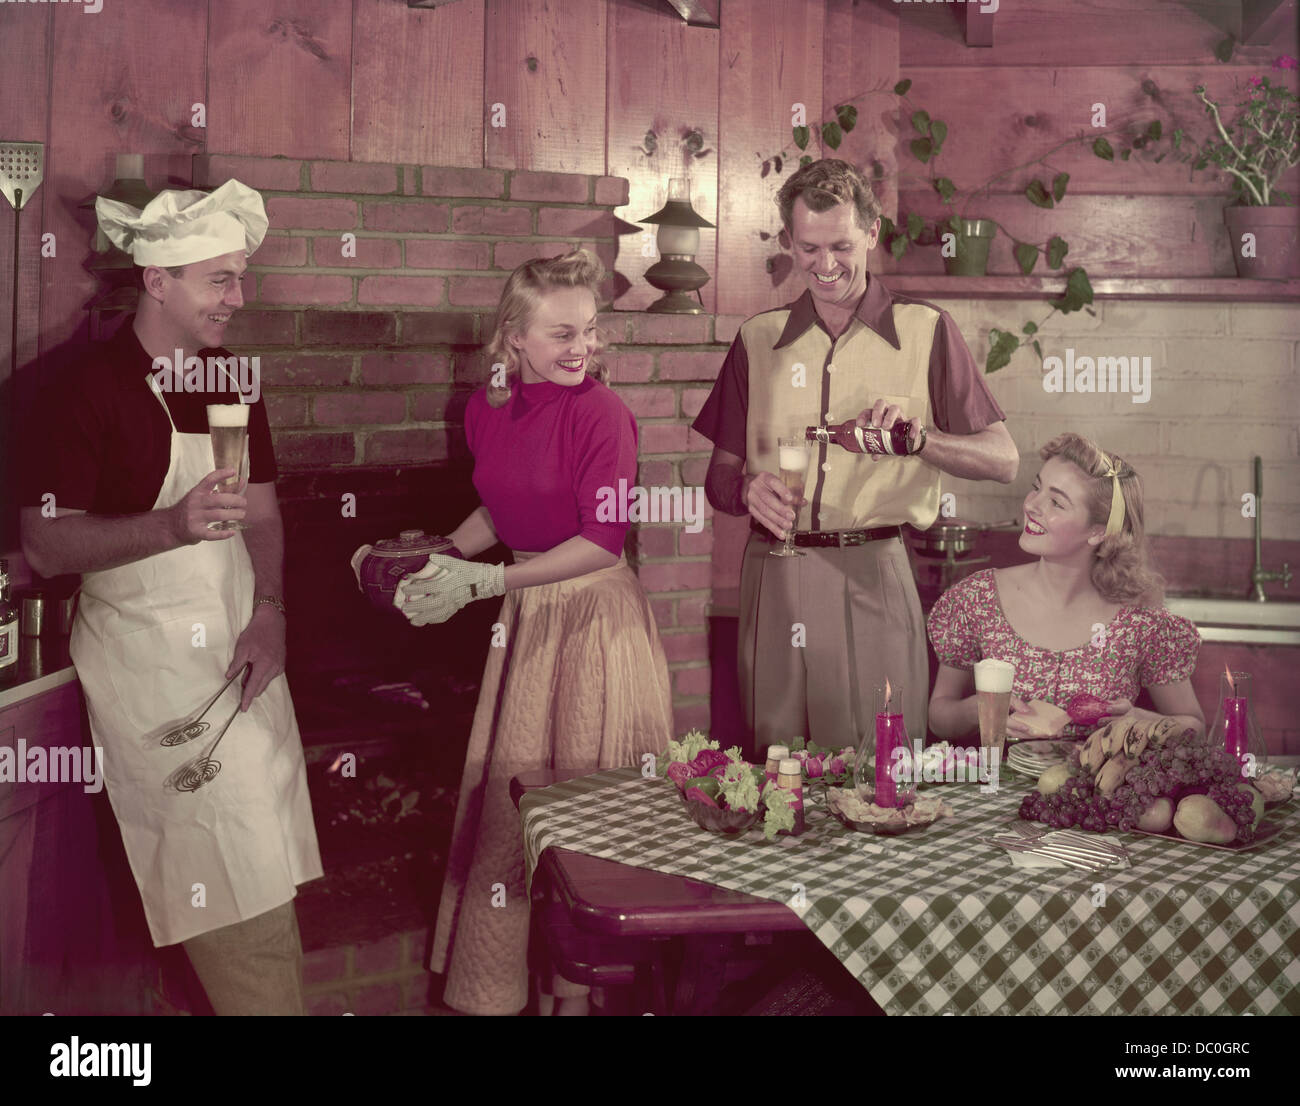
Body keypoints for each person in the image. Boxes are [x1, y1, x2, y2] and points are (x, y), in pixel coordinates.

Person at [20, 180, 321, 1015]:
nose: (239, 295)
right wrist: (173, 527)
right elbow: (46, 542)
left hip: (241, 651)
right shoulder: (82, 387)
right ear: (158, 280)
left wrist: (271, 612)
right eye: (219, 278)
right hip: (151, 667)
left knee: (264, 864)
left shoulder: (232, 379)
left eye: (241, 275)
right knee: (225, 875)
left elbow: (261, 514)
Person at [361, 249, 674, 1016]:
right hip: (528, 615)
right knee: (517, 818)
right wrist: (437, 559)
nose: (580, 349)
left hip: (595, 621)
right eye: (561, 334)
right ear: (514, 340)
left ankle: (580, 1003)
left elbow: (601, 541)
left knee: (588, 827)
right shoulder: (486, 409)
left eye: (590, 332)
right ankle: (509, 992)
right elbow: (502, 510)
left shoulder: (603, 414)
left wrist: (486, 581)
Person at [692, 158, 1019, 754]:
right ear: (789, 241)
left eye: (841, 245)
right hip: (774, 576)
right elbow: (718, 476)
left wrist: (921, 439)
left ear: (871, 234)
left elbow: (1004, 460)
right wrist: (742, 492)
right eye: (808, 248)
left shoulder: (926, 330)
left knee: (881, 774)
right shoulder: (756, 340)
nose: (825, 266)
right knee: (776, 772)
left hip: (873, 570)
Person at [927, 432, 1204, 742]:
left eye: (1056, 502)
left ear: (1098, 531)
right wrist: (983, 708)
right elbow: (940, 718)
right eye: (1036, 488)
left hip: (1096, 789)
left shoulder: (1142, 623)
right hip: (995, 786)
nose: (1032, 505)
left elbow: (1194, 727)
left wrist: (1138, 720)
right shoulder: (977, 599)